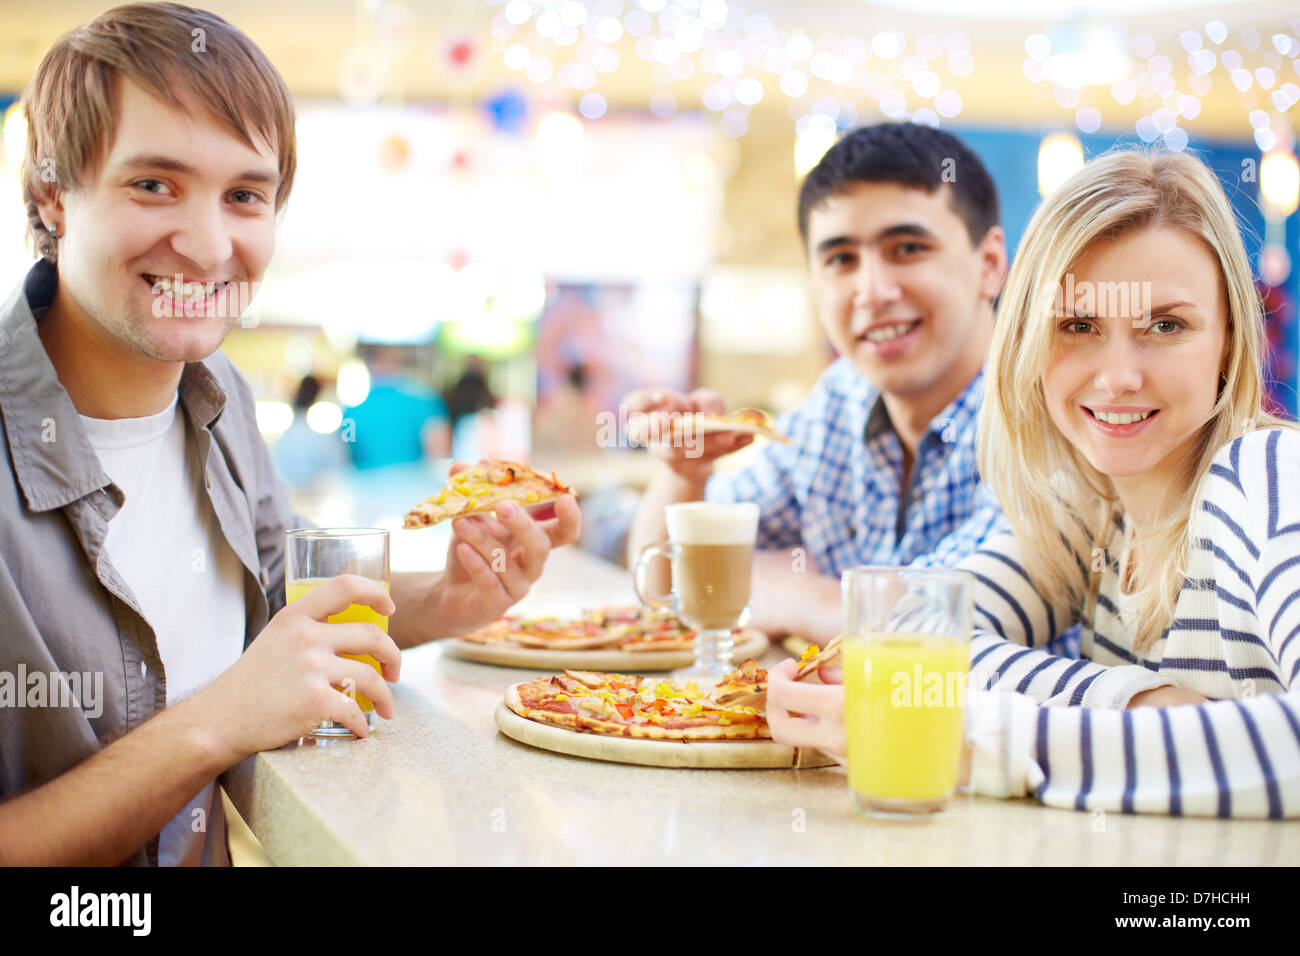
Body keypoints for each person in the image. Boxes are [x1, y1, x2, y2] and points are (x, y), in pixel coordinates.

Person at [0, 3, 579, 866]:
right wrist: (219, 720)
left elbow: (279, 610)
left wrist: (442, 601)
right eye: (153, 183)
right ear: (54, 195)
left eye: (244, 196)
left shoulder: (220, 397)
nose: (205, 245)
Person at [768, 149, 1300, 817]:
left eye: (1166, 326)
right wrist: (1137, 702)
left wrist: (968, 739)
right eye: (1078, 327)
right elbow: (919, 626)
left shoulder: (1268, 480)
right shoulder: (1089, 506)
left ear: (1228, 340)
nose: (1118, 378)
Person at [624, 123, 1009, 643]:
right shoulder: (839, 401)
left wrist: (804, 597)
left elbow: (937, 633)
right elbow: (666, 587)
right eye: (841, 259)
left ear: (989, 265)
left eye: (908, 248)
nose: (872, 292)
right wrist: (685, 474)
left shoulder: (1046, 414)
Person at [343, 344, 451, 468]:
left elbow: (344, 453)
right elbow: (439, 454)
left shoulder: (351, 412)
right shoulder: (425, 402)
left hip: (362, 484)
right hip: (414, 483)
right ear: (398, 363)